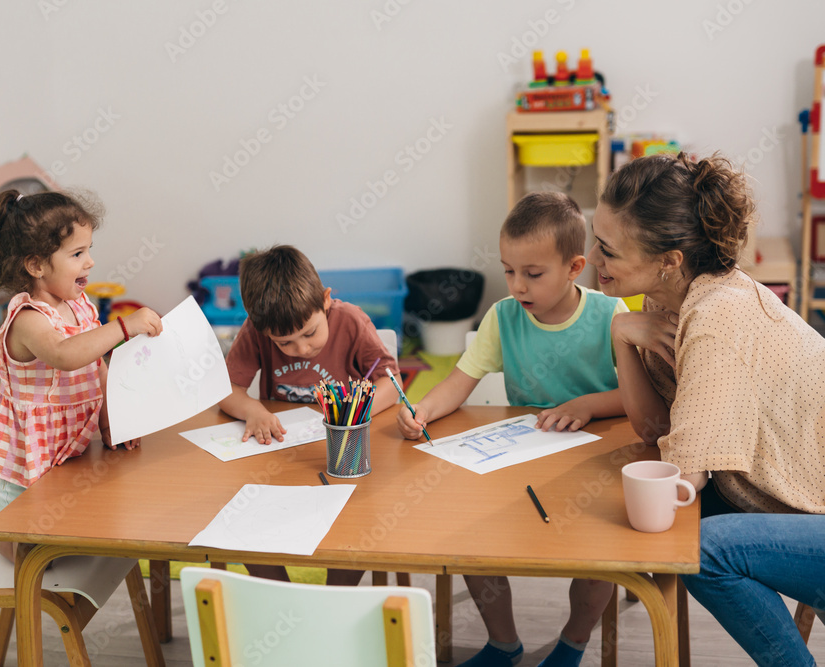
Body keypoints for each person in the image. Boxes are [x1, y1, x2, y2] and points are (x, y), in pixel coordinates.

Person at [588, 152, 825, 665]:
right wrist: (620, 336)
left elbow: (684, 474)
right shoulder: (668, 298)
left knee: (704, 549)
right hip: (803, 505)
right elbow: (655, 430)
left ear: (669, 259)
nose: (593, 260)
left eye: (607, 250)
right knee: (699, 520)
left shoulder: (717, 317)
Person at [397, 191, 628, 667]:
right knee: (468, 539)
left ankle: (574, 641)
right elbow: (457, 383)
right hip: (520, 461)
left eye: (533, 273)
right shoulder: (503, 317)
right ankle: (504, 643)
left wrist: (586, 405)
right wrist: (422, 410)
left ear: (574, 267)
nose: (517, 285)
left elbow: (638, 397)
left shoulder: (612, 315)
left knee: (600, 553)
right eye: (509, 270)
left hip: (595, 462)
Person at [0, 189, 163, 561]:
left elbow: (97, 365)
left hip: (68, 452)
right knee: (32, 557)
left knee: (90, 530)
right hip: (29, 463)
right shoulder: (28, 319)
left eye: (89, 250)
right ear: (36, 266)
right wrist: (124, 327)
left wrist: (111, 423)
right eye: (78, 254)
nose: (90, 262)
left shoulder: (78, 305)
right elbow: (66, 355)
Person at [219, 244, 400, 585]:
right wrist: (253, 410)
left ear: (326, 300)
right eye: (284, 343)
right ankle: (281, 595)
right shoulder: (257, 329)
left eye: (310, 333)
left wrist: (353, 415)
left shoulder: (351, 321)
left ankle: (331, 600)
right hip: (282, 457)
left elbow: (391, 382)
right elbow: (227, 389)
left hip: (343, 456)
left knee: (353, 532)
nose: (301, 349)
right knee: (249, 527)